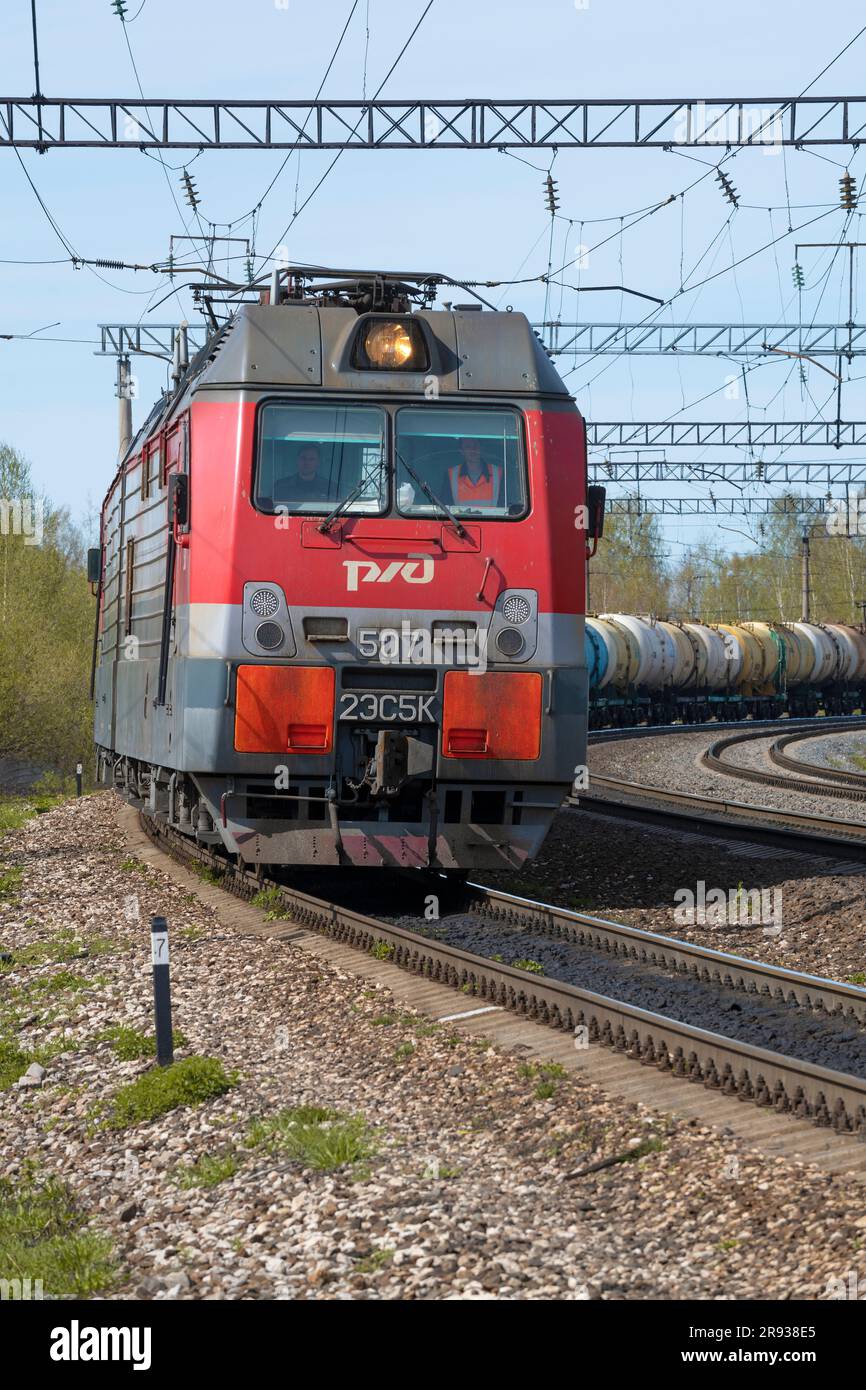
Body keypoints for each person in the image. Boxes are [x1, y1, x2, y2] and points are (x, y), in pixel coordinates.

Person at [447, 437, 502, 507]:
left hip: (495, 518)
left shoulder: (498, 472)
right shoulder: (451, 474)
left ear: (481, 448)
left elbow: (505, 507)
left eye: (476, 445)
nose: (473, 450)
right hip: (457, 518)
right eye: (468, 447)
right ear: (461, 451)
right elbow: (445, 508)